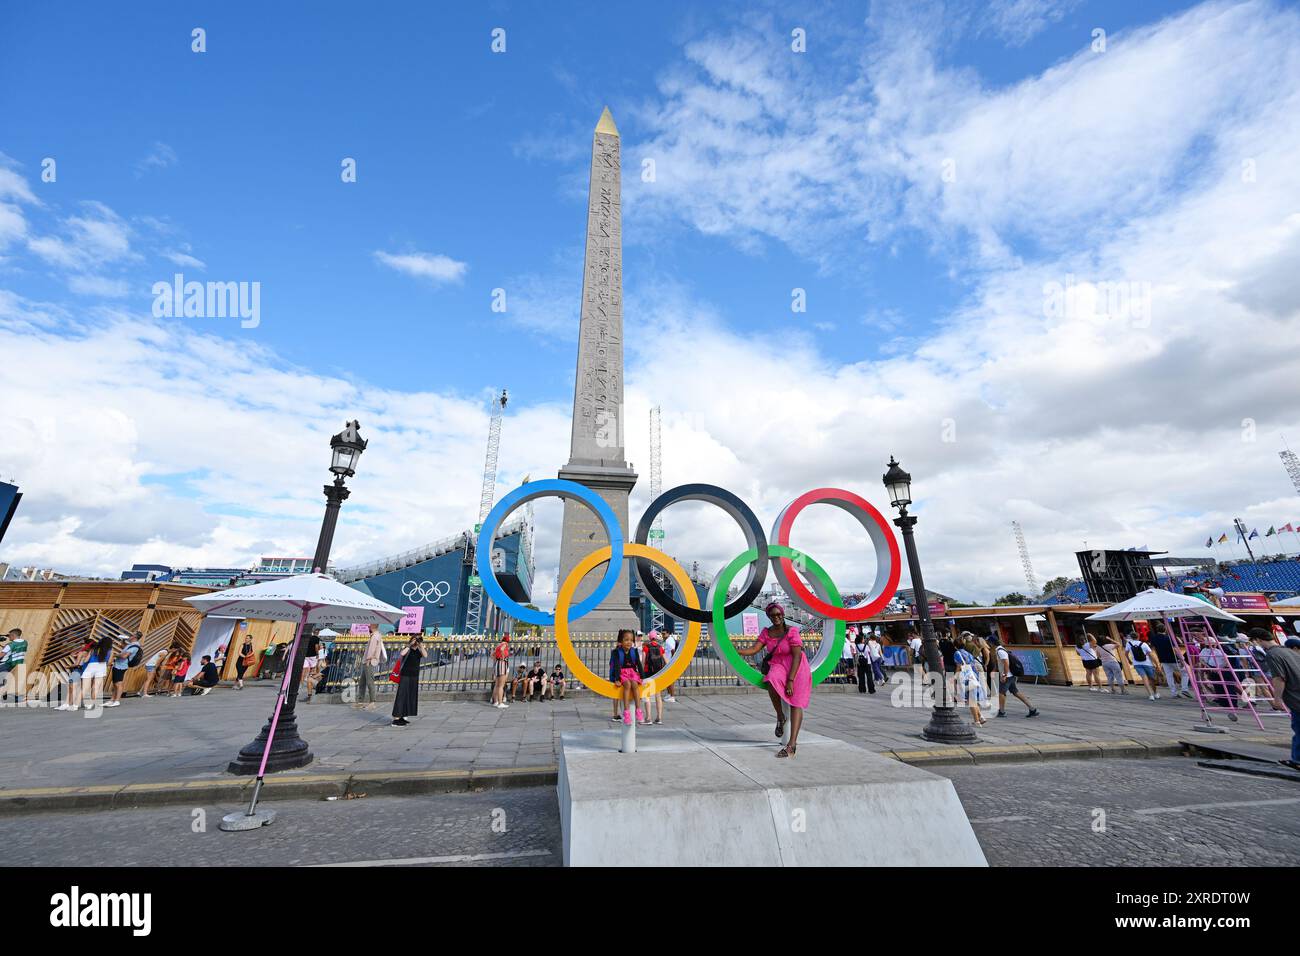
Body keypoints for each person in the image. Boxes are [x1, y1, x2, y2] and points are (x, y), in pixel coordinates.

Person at [733, 602, 811, 758]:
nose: (776, 617)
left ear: (782, 615)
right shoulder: (766, 632)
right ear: (768, 616)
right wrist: (735, 650)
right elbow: (754, 649)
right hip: (778, 664)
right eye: (773, 615)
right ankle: (780, 715)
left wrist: (790, 680)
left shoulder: (792, 631)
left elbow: (797, 655)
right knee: (771, 680)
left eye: (778, 614)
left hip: (797, 667)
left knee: (796, 703)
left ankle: (792, 745)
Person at [1252, 628, 1300, 769]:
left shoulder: (1273, 654)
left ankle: (1297, 760)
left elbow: (1279, 678)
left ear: (1258, 640)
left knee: (1299, 728)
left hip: (1296, 696)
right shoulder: (1289, 651)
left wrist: (1277, 699)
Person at [992, 636, 1039, 718]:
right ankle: (1032, 709)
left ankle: (1001, 712)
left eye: (988, 642)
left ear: (991, 643)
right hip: (1010, 675)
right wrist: (995, 670)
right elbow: (1000, 663)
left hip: (1008, 676)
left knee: (1001, 693)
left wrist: (1004, 675)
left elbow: (1006, 663)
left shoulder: (1000, 651)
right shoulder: (999, 650)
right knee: (1015, 692)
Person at [608, 629, 646, 725]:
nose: (629, 642)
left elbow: (638, 663)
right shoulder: (617, 652)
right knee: (627, 685)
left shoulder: (634, 651)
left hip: (632, 672)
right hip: (622, 673)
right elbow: (616, 665)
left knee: (635, 685)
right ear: (621, 641)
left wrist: (642, 676)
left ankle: (638, 710)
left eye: (631, 640)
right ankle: (626, 712)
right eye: (626, 640)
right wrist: (616, 679)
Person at [390, 634, 425, 727]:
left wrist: (420, 645)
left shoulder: (419, 650)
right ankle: (396, 718)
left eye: (417, 640)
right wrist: (410, 644)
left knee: (410, 696)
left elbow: (425, 655)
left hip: (414, 676)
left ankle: (403, 716)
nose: (416, 642)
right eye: (415, 640)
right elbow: (401, 654)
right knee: (401, 696)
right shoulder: (407, 648)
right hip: (405, 675)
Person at [1150, 622, 1191, 698]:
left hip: (1163, 659)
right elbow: (1175, 649)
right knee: (1186, 671)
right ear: (1165, 629)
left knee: (1169, 676)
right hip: (1173, 658)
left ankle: (1173, 693)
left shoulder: (1154, 638)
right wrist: (1182, 659)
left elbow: (1154, 649)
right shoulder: (1169, 637)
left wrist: (1159, 658)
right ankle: (1184, 689)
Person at [955, 636, 987, 726]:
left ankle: (977, 721)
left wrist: (954, 677)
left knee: (971, 700)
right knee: (972, 699)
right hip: (973, 676)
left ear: (955, 646)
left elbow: (959, 666)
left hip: (966, 678)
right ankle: (980, 717)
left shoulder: (957, 653)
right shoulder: (967, 653)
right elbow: (973, 665)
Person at [107, 631, 143, 706]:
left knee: (118, 684)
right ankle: (112, 700)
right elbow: (123, 647)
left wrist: (115, 655)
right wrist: (123, 640)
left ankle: (117, 701)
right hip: (118, 665)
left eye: (131, 635)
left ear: (134, 637)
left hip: (121, 666)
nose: (129, 636)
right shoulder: (131, 644)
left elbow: (124, 656)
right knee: (115, 683)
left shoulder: (135, 646)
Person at [1124, 629, 1161, 700]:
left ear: (1131, 637)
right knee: (1151, 679)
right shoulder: (1144, 644)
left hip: (1137, 664)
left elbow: (1126, 653)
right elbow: (1151, 655)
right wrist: (1157, 664)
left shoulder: (1129, 644)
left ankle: (1150, 695)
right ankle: (1155, 693)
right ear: (1138, 637)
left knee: (1145, 679)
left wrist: (1129, 660)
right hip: (1147, 663)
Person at [355, 626, 387, 710]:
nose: (368, 626)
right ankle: (360, 701)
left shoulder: (375, 636)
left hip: (369, 661)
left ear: (372, 626)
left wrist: (369, 659)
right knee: (362, 682)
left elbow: (372, 649)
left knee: (370, 682)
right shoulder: (376, 635)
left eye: (369, 625)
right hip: (367, 661)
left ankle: (372, 702)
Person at [55, 641, 91, 711]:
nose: (81, 646)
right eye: (81, 644)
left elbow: (77, 663)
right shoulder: (89, 653)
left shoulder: (81, 653)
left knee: (71, 686)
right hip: (84, 670)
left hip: (77, 670)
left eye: (83, 644)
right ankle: (69, 703)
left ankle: (67, 704)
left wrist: (68, 666)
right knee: (75, 687)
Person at [641, 630, 667, 723]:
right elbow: (666, 661)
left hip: (648, 672)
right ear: (656, 637)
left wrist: (641, 673)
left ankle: (648, 718)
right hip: (658, 673)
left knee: (647, 694)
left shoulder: (646, 647)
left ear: (649, 637)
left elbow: (643, 662)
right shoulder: (660, 648)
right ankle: (659, 717)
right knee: (658, 695)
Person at [81, 635, 112, 710]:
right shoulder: (110, 650)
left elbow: (85, 660)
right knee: (96, 686)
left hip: (91, 666)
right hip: (102, 666)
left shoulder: (94, 649)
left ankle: (75, 703)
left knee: (84, 687)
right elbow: (109, 662)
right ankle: (90, 704)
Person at [490, 633, 511, 709]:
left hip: (497, 664)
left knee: (497, 684)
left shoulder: (498, 645)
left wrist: (497, 659)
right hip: (502, 663)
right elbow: (502, 650)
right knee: (501, 685)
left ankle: (495, 702)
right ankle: (500, 703)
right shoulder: (505, 644)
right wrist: (502, 657)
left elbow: (492, 655)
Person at [301, 632, 322, 701]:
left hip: (306, 655)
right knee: (313, 669)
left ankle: (301, 682)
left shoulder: (307, 638)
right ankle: (311, 680)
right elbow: (316, 646)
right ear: (318, 632)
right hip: (313, 655)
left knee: (304, 669)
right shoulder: (316, 638)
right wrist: (317, 653)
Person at [854, 628, 875, 694]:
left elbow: (856, 654)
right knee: (869, 676)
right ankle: (871, 689)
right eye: (863, 639)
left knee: (861, 676)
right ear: (861, 640)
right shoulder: (866, 646)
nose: (864, 640)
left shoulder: (856, 646)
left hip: (860, 663)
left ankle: (862, 689)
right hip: (867, 662)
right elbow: (868, 653)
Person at [662, 630, 679, 703]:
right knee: (667, 679)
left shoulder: (669, 641)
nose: (663, 635)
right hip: (667, 662)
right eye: (662, 634)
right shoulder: (667, 640)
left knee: (670, 680)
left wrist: (672, 661)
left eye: (664, 634)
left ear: (668, 633)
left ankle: (672, 696)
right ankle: (669, 694)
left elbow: (672, 650)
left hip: (669, 662)